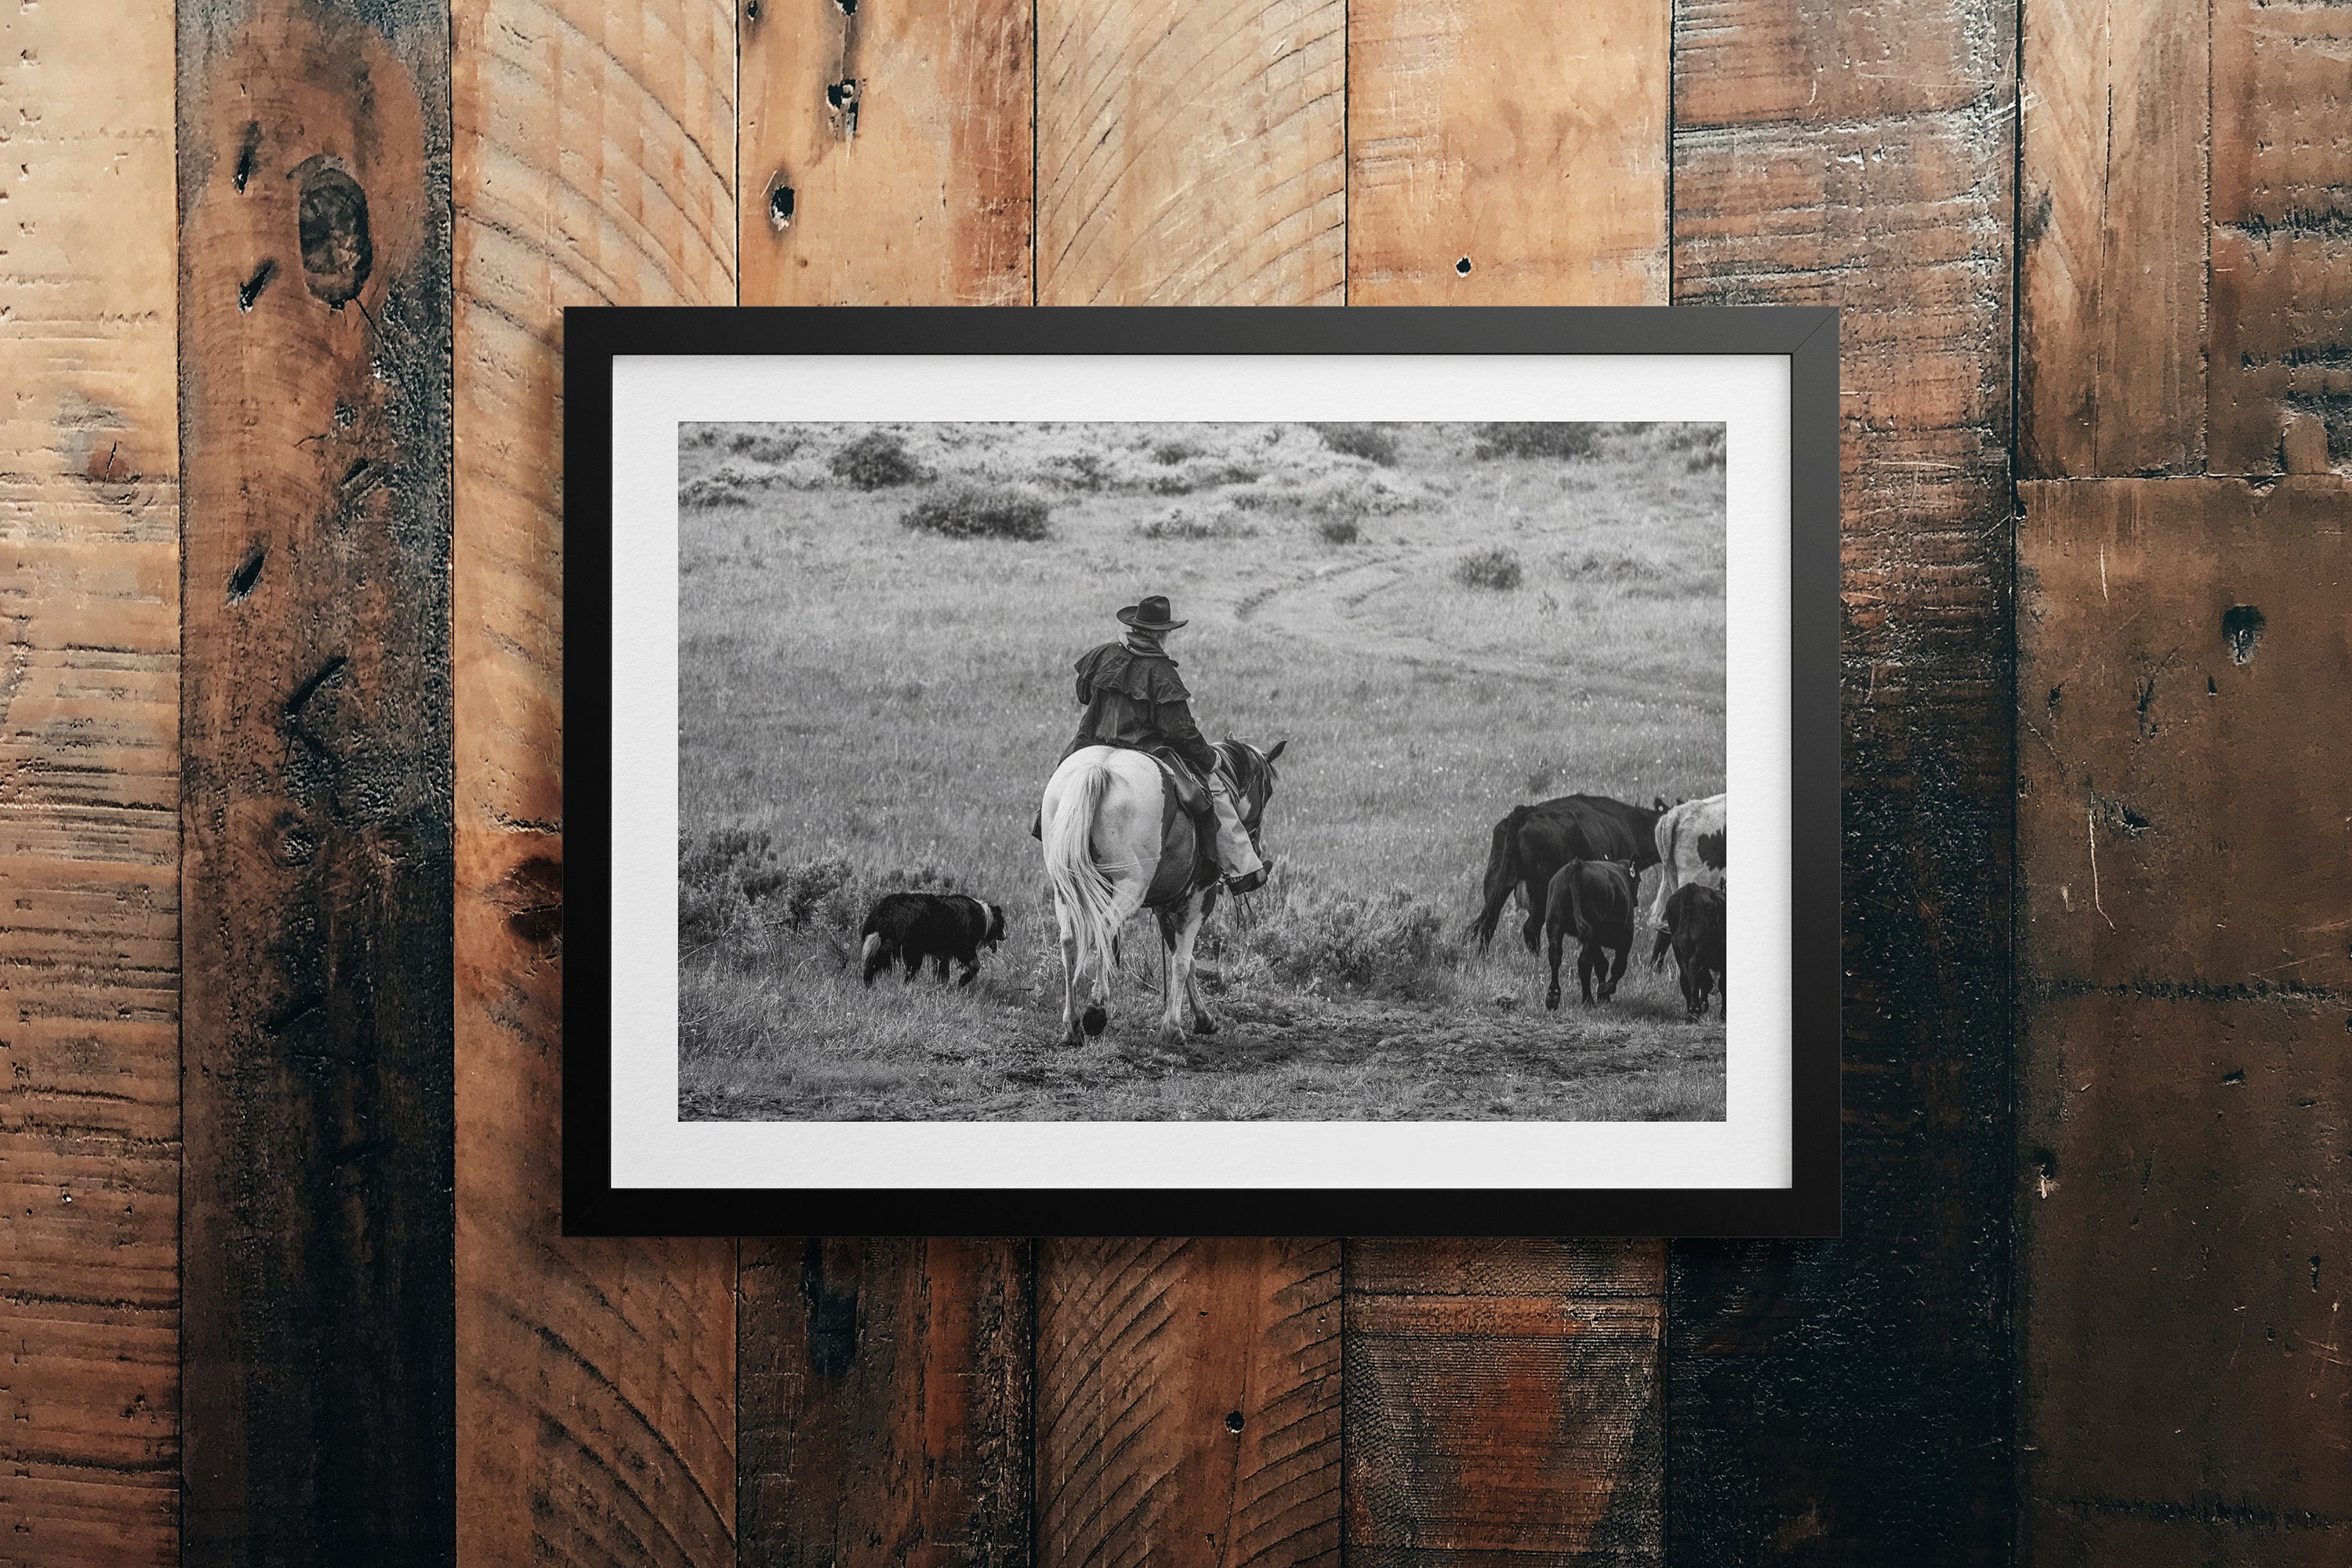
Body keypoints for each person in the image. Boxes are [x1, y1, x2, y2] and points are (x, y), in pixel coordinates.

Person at [1048, 594, 1267, 894]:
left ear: (1134, 627)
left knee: (1063, 778)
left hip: (1090, 743)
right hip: (1146, 750)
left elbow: (1083, 693)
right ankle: (1243, 870)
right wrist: (1209, 760)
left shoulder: (1101, 655)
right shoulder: (1162, 673)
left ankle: (1043, 825)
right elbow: (1181, 732)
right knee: (1213, 790)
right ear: (1162, 633)